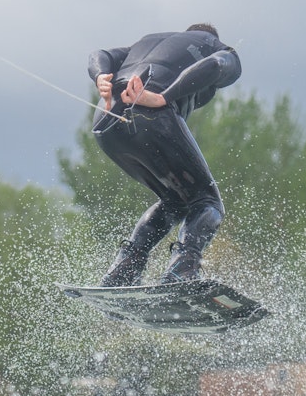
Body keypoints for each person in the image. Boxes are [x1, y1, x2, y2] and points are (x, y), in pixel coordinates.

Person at [88, 23, 242, 285]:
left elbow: (99, 55)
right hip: (152, 117)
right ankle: (182, 269)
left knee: (176, 201)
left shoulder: (147, 41)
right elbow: (216, 67)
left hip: (105, 122)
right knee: (206, 203)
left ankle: (125, 270)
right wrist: (164, 97)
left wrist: (100, 76)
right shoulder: (217, 47)